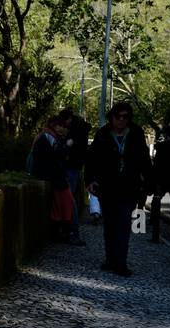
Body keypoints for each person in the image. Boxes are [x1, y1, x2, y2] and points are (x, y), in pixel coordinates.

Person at [85, 101, 152, 276]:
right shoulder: (103, 134)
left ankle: (120, 262)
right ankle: (110, 258)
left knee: (123, 224)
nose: (121, 120)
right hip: (107, 187)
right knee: (110, 225)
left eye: (125, 117)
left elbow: (145, 159)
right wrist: (90, 180)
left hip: (129, 187)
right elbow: (91, 159)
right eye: (118, 117)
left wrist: (149, 183)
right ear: (112, 118)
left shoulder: (136, 133)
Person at [58, 107, 91, 236]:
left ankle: (72, 229)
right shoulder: (81, 127)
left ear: (68, 119)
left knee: (69, 197)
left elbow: (72, 146)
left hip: (72, 165)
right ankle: (72, 228)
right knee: (72, 197)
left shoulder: (75, 130)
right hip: (77, 165)